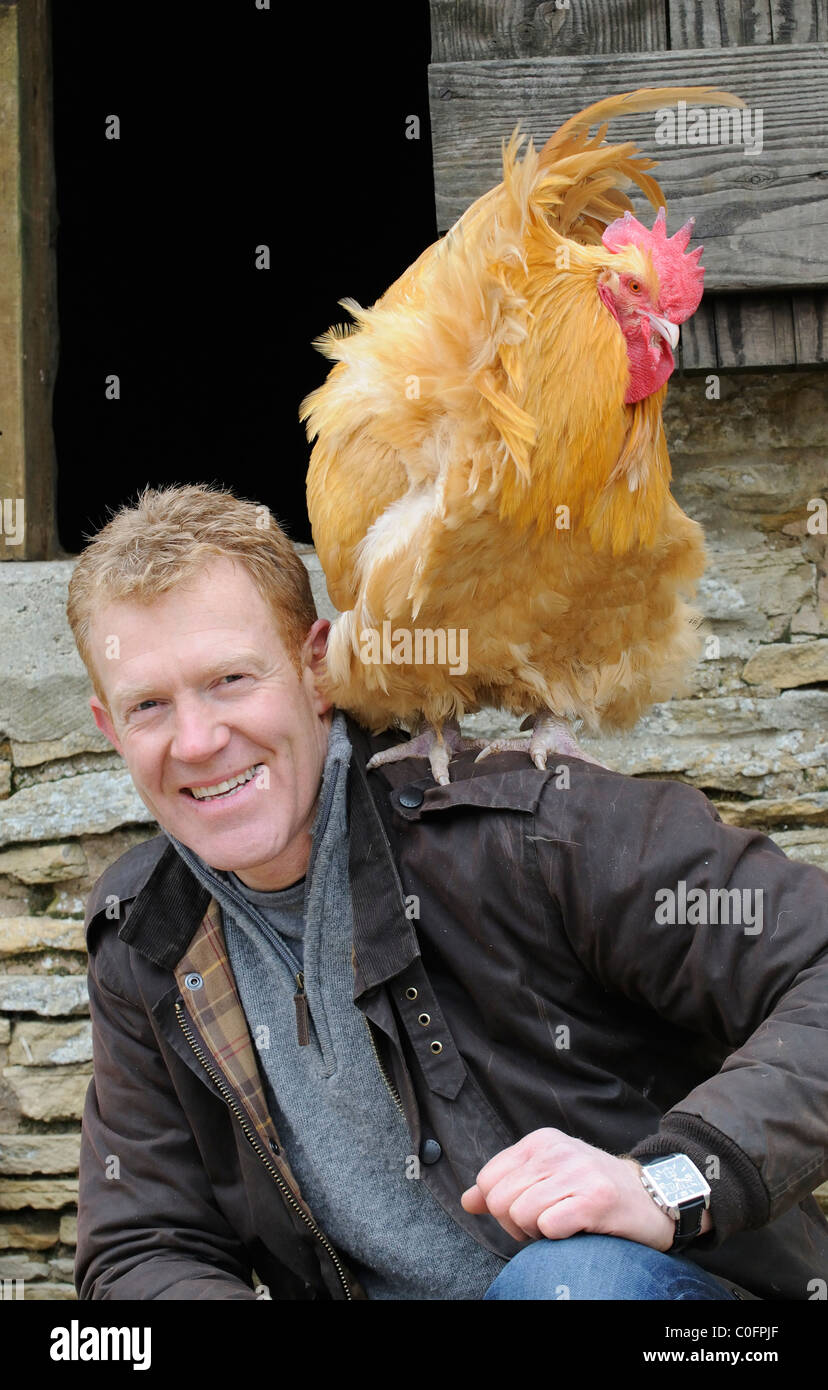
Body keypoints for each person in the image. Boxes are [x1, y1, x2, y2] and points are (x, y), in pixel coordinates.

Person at [66, 483, 828, 1301]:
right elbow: (144, 1246)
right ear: (111, 729)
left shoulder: (526, 828)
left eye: (230, 680)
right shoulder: (146, 930)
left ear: (317, 667)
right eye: (149, 705)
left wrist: (668, 1184)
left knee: (569, 1284)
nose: (199, 740)